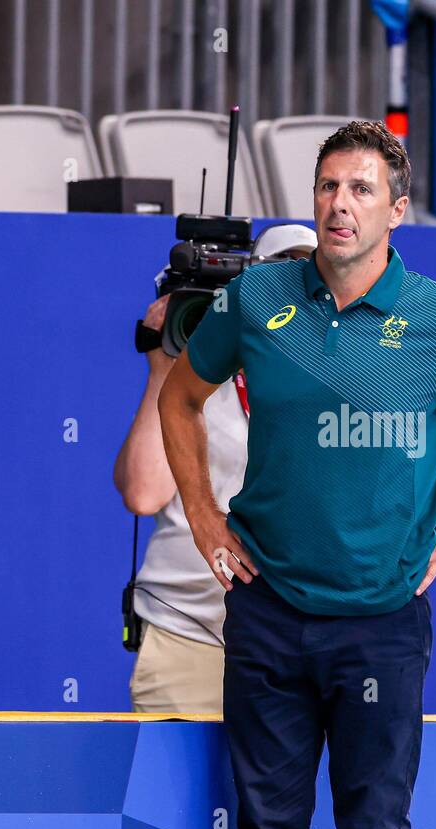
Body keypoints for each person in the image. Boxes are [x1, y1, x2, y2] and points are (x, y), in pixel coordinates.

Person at [158, 121, 436, 829]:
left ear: (397, 210)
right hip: (267, 615)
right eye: (328, 186)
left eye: (360, 189)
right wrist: (202, 516)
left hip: (381, 626)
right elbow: (179, 399)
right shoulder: (257, 297)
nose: (339, 204)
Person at [112, 224, 317, 714]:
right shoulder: (195, 381)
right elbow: (143, 493)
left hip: (297, 642)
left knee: (287, 794)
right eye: (276, 279)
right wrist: (163, 367)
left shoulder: (336, 385)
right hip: (189, 633)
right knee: (170, 793)